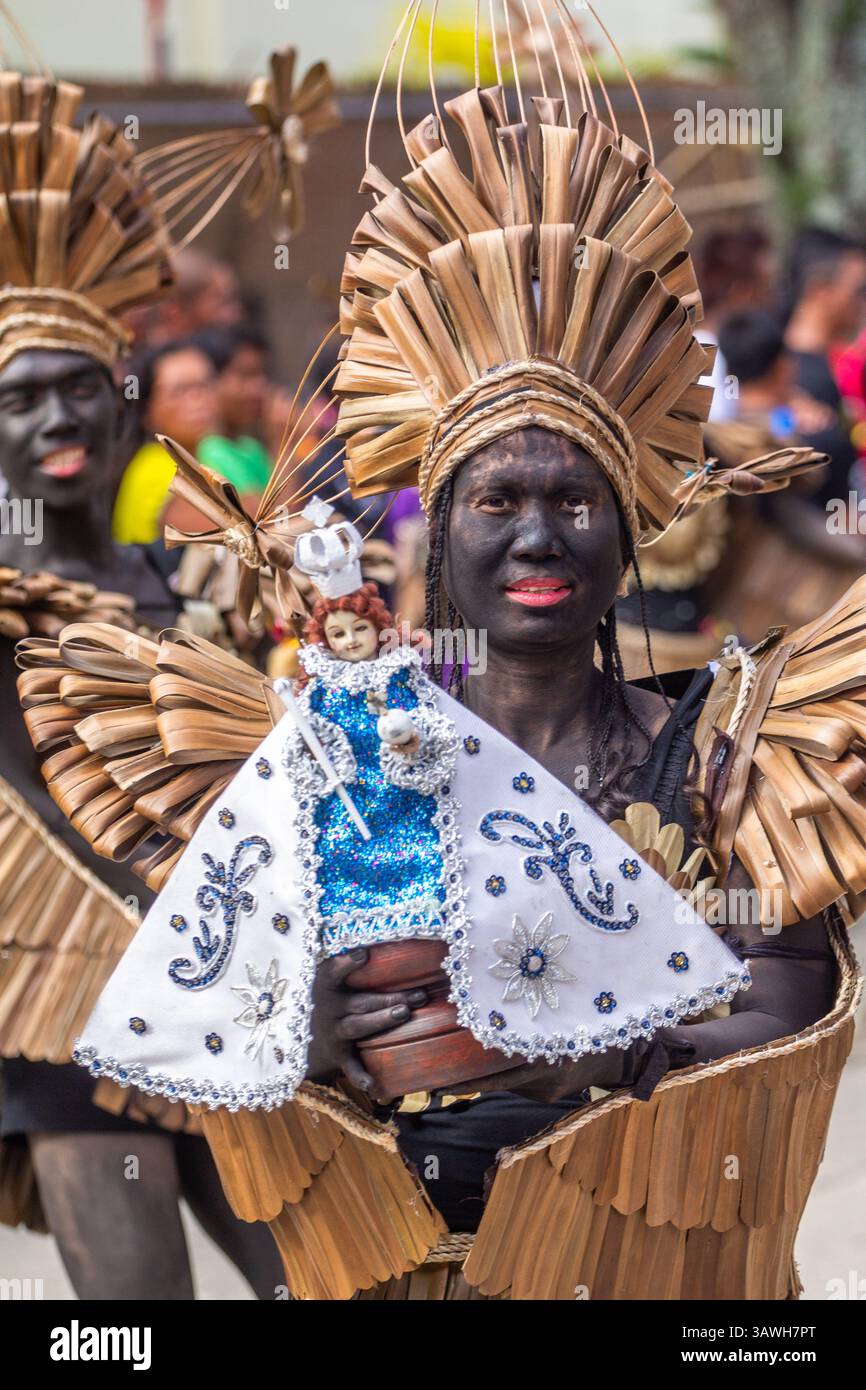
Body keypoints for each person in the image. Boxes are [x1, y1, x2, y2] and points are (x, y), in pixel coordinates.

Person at [23, 0, 859, 1305]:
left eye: (574, 497)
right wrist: (304, 1040)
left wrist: (582, 1055)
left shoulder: (730, 752)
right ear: (434, 523)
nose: (538, 534)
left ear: (631, 518)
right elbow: (211, 1039)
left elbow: (782, 1042)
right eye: (495, 499)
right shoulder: (332, 765)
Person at [0, 69, 283, 1300]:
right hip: (71, 1027)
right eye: (20, 398)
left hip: (231, 1008)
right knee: (129, 1333)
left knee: (329, 1285)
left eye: (82, 386)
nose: (61, 418)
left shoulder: (188, 576)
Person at [782, 226, 866, 506]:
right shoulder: (790, 381)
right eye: (859, 290)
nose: (863, 302)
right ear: (820, 290)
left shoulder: (831, 363)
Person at [112, 341, 220, 546]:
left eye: (204, 384)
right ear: (147, 409)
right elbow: (243, 531)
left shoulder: (206, 458)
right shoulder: (154, 467)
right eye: (181, 390)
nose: (198, 398)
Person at [190, 326, 273, 505]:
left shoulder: (251, 447)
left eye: (261, 374)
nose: (259, 387)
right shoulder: (209, 451)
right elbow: (271, 522)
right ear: (211, 380)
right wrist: (284, 446)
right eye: (246, 375)